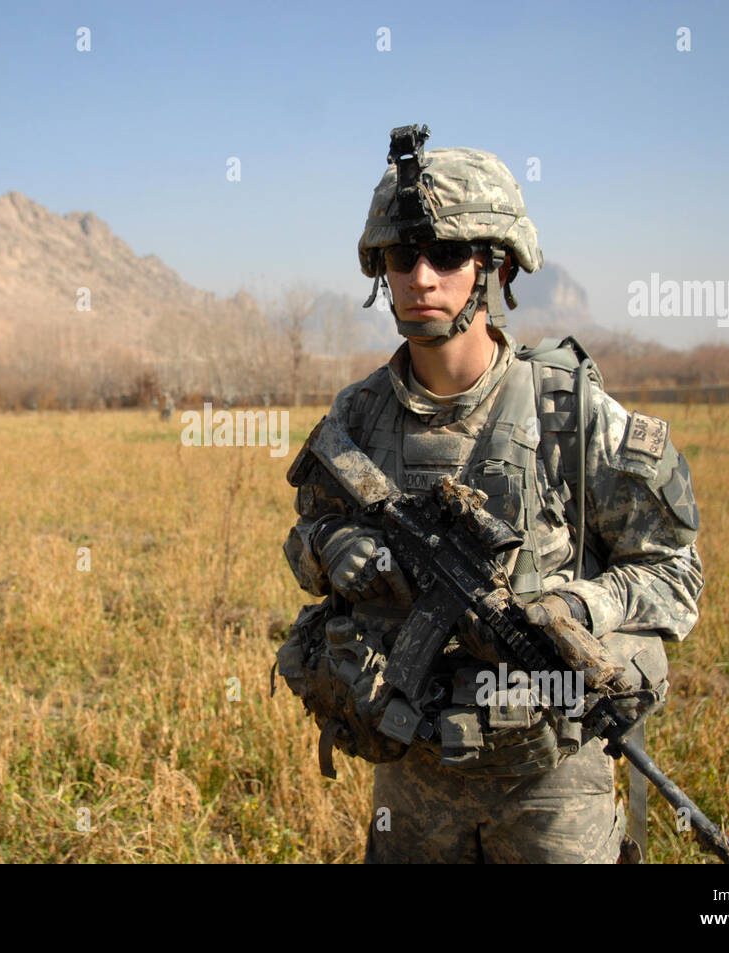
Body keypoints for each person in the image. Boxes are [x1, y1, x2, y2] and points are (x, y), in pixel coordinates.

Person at [280, 125, 703, 863]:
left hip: (550, 787)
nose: (421, 277)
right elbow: (304, 538)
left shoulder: (572, 415)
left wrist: (579, 607)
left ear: (495, 266)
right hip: (411, 780)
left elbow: (675, 574)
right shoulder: (357, 418)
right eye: (400, 257)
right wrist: (330, 546)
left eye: (447, 256)